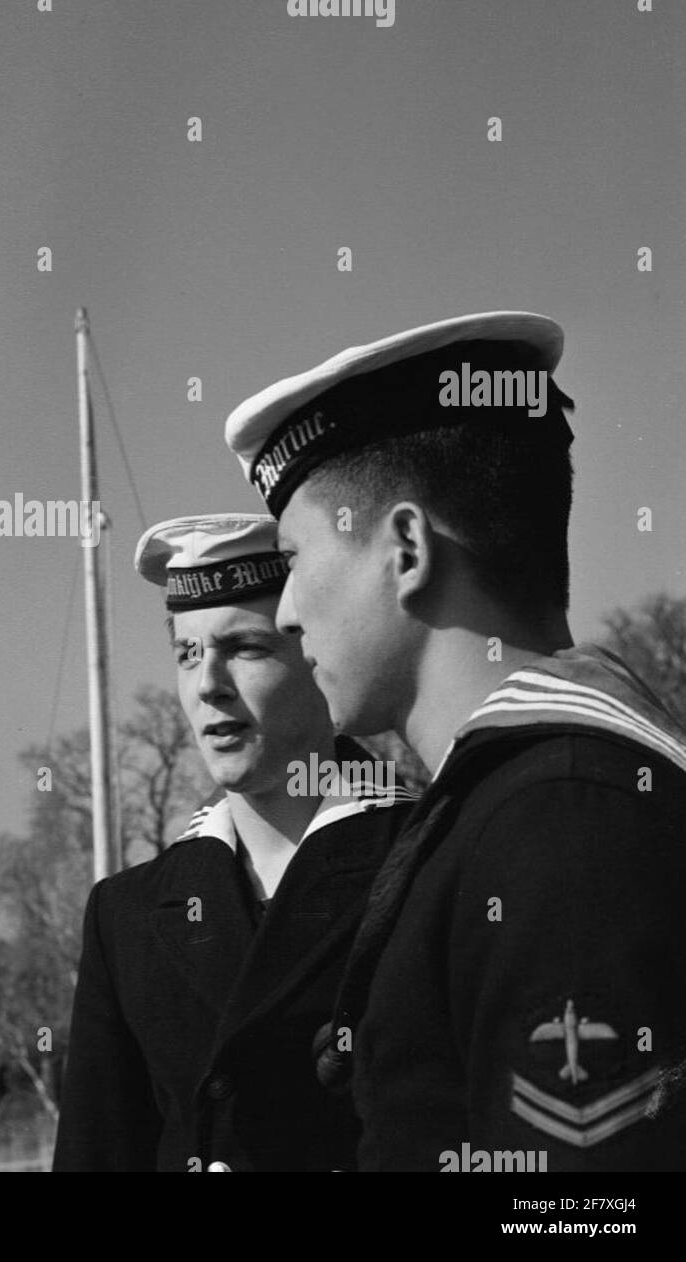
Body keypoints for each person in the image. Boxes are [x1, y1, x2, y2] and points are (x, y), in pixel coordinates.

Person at [225, 310, 686, 1170]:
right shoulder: (522, 807)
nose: (284, 614)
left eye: (291, 559)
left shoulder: (559, 825)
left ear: (404, 548)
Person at [52, 513, 417, 1172]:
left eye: (245, 647)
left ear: (318, 656)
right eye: (187, 653)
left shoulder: (428, 862)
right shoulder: (126, 915)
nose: (205, 684)